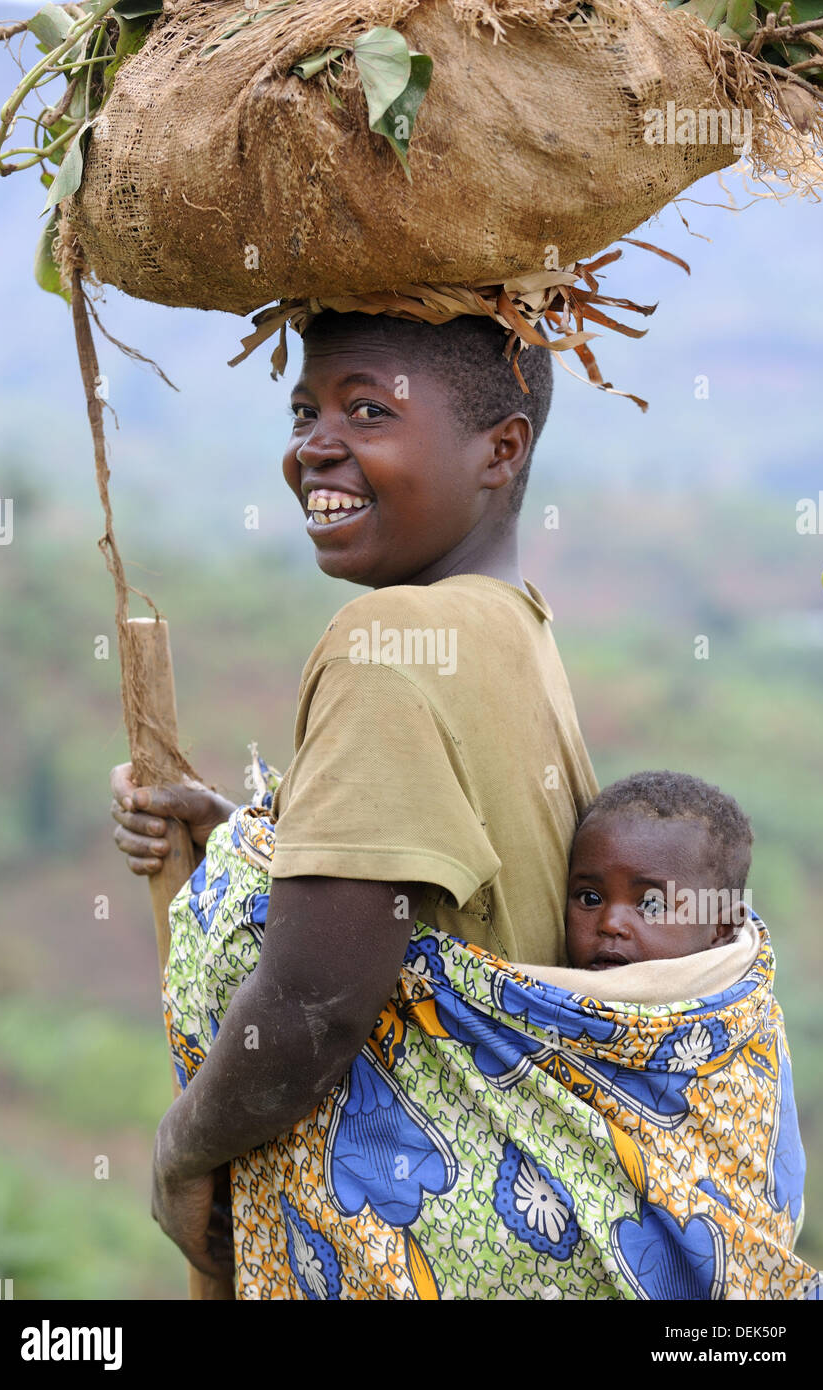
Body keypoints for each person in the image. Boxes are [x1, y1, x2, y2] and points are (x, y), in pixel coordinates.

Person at [110, 308, 598, 1282]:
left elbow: (311, 1003)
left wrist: (179, 1151)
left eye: (367, 410)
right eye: (303, 412)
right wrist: (259, 843)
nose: (311, 449)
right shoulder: (514, 626)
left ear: (500, 449)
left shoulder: (384, 643)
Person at [564, 769, 753, 973]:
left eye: (651, 905)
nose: (611, 924)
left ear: (722, 929)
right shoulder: (534, 989)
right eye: (590, 898)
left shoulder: (746, 1002)